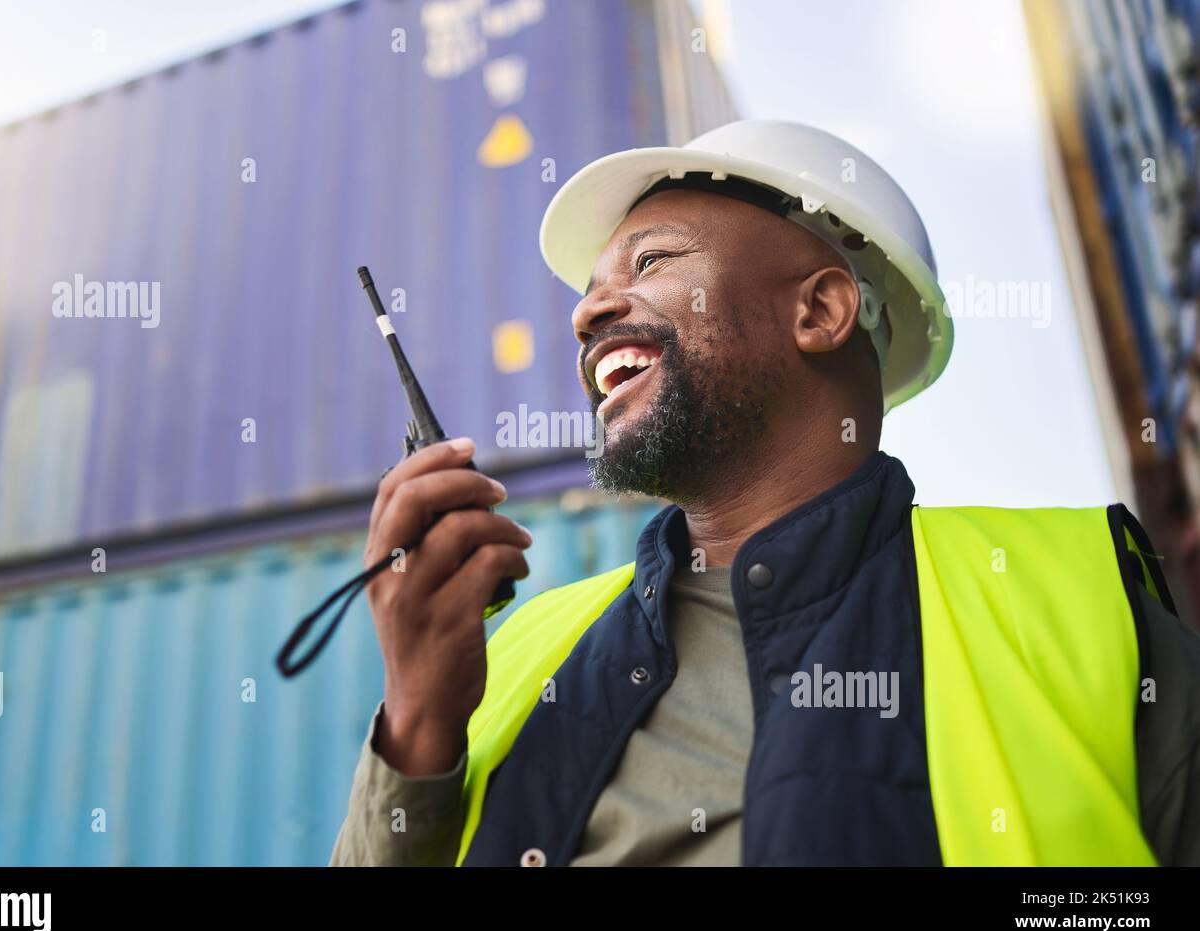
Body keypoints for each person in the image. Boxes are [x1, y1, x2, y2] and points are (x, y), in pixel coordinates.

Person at [330, 120, 1200, 866]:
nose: (586, 314)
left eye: (654, 260)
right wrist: (416, 720)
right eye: (590, 293)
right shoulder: (521, 655)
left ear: (820, 312)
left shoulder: (1076, 595)